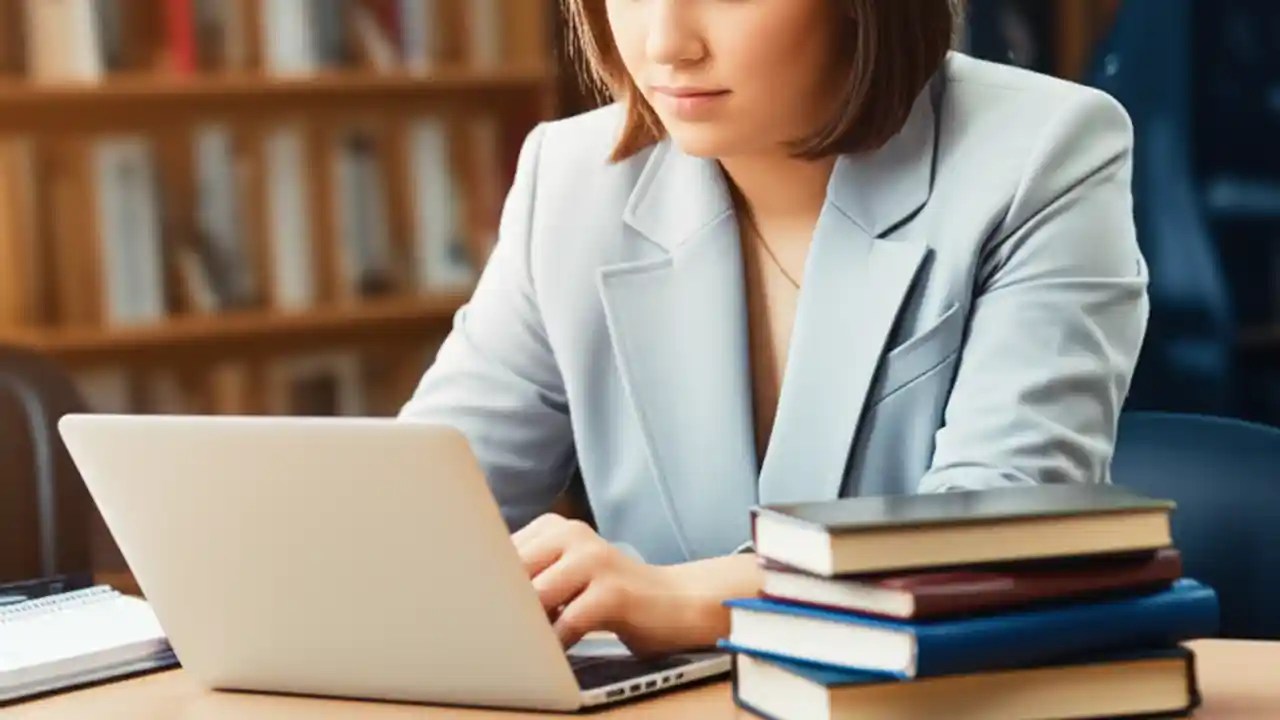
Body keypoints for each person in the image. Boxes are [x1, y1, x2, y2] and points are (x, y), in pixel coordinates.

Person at [399, 0, 1148, 657]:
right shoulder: (568, 178)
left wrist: (689, 601)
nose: (667, 43)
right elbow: (413, 513)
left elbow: (1005, 530)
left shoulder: (1043, 153)